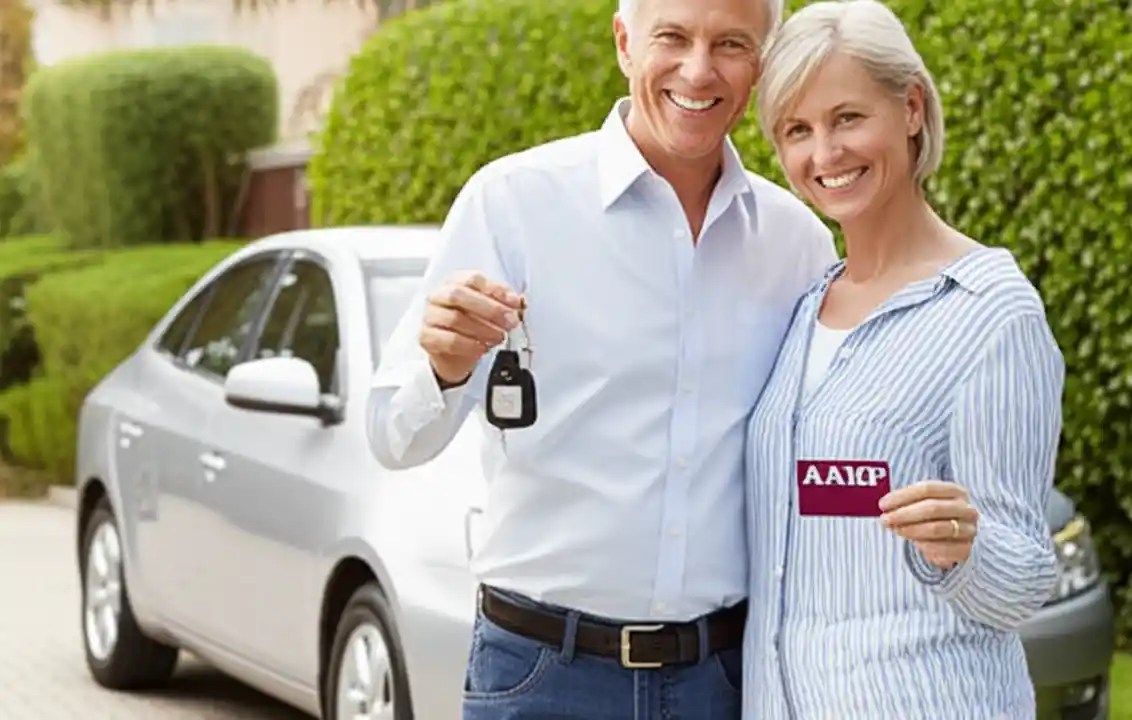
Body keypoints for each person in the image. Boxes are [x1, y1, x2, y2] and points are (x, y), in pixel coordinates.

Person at [366, 0, 837, 716]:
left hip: (727, 683)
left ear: (763, 62)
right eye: (672, 38)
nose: (698, 69)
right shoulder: (513, 205)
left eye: (731, 44)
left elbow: (818, 457)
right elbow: (393, 439)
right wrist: (443, 368)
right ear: (624, 43)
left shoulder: (796, 244)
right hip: (541, 678)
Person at [742, 1, 1066, 718]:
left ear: (912, 107)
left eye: (848, 118)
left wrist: (964, 546)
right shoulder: (804, 306)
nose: (824, 155)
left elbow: (1024, 580)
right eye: (798, 130)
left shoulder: (991, 313)